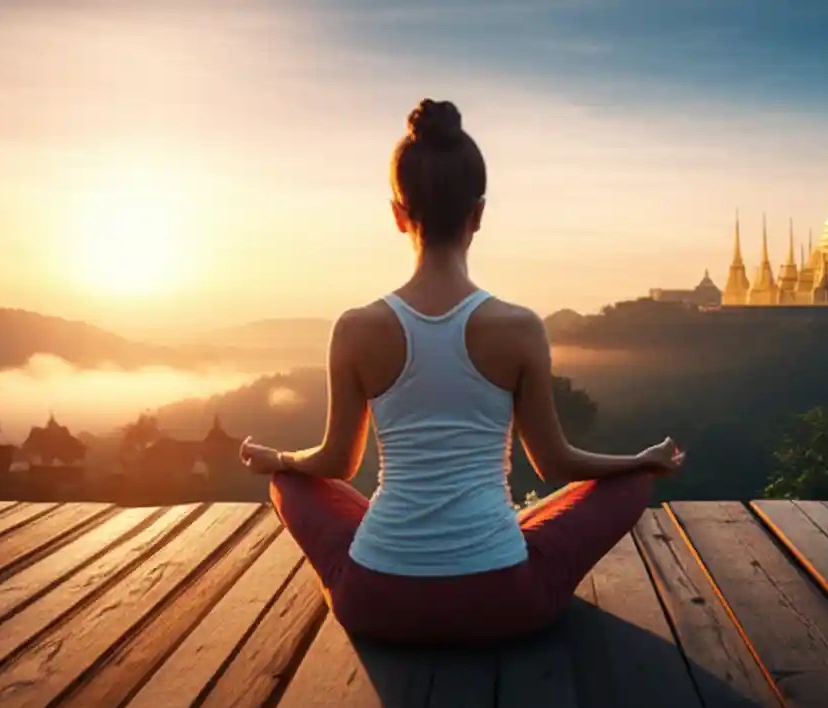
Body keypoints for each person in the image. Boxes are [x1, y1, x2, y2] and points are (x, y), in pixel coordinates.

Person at [239, 99, 684, 645]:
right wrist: (639, 462)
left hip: (375, 601)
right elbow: (554, 464)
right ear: (478, 214)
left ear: (398, 214)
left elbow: (337, 462)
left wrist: (278, 459)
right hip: (505, 602)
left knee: (289, 484)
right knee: (630, 485)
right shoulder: (520, 327)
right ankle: (499, 531)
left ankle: (374, 556)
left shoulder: (355, 328)